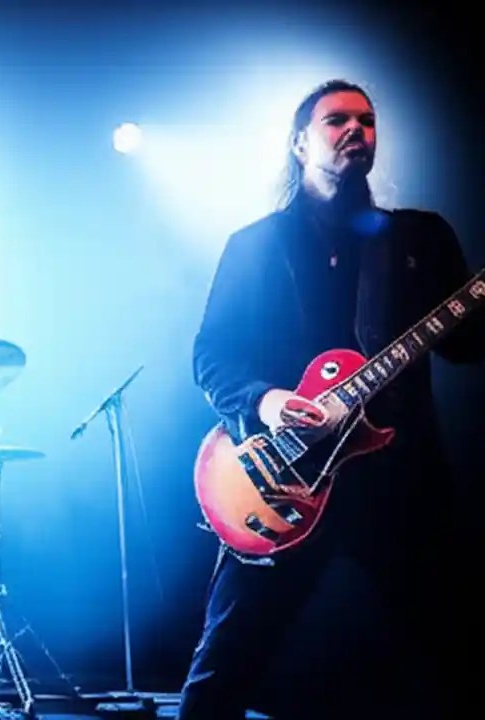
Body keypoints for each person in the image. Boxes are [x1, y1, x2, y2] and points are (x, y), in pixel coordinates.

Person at [180, 79, 484, 719]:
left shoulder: (419, 238)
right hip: (285, 477)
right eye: (337, 120)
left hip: (399, 480)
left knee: (457, 655)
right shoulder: (255, 245)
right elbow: (211, 356)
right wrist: (266, 402)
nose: (356, 131)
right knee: (222, 671)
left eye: (367, 121)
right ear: (299, 144)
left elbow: (465, 347)